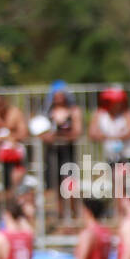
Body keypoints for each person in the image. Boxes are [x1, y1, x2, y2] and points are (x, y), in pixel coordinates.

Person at [38, 81, 83, 221]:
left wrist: (60, 136)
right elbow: (40, 132)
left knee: (70, 183)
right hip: (52, 152)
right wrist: (51, 137)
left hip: (67, 151)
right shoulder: (46, 113)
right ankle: (60, 215)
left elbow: (77, 132)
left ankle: (73, 214)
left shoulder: (73, 111)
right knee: (55, 184)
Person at [89, 86, 130, 199]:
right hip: (111, 155)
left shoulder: (127, 113)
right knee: (116, 182)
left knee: (120, 180)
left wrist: (110, 137)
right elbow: (92, 133)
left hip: (127, 154)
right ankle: (120, 208)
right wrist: (113, 137)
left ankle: (123, 207)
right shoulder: (100, 114)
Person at [0, 94, 29, 202]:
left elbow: (24, 133)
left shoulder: (15, 113)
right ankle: (12, 208)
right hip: (5, 156)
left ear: (4, 102)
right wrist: (9, 136)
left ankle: (21, 206)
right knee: (8, 186)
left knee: (18, 182)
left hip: (17, 154)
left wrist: (7, 136)